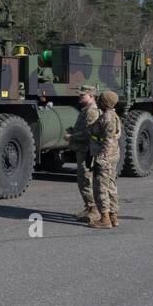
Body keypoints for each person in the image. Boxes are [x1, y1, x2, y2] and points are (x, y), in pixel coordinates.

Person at [87, 89, 123, 230]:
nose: (98, 102)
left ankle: (105, 219)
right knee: (111, 186)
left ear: (104, 103)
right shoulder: (113, 115)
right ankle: (114, 216)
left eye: (100, 100)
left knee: (101, 187)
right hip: (114, 154)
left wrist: (102, 157)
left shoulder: (107, 118)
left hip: (106, 156)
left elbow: (107, 140)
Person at [69, 85, 101, 221]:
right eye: (80, 94)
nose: (80, 96)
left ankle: (93, 209)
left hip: (86, 150)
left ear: (92, 96)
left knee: (86, 179)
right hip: (82, 149)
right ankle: (89, 207)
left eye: (83, 95)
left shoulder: (92, 111)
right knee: (82, 179)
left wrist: (72, 137)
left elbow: (89, 133)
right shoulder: (86, 110)